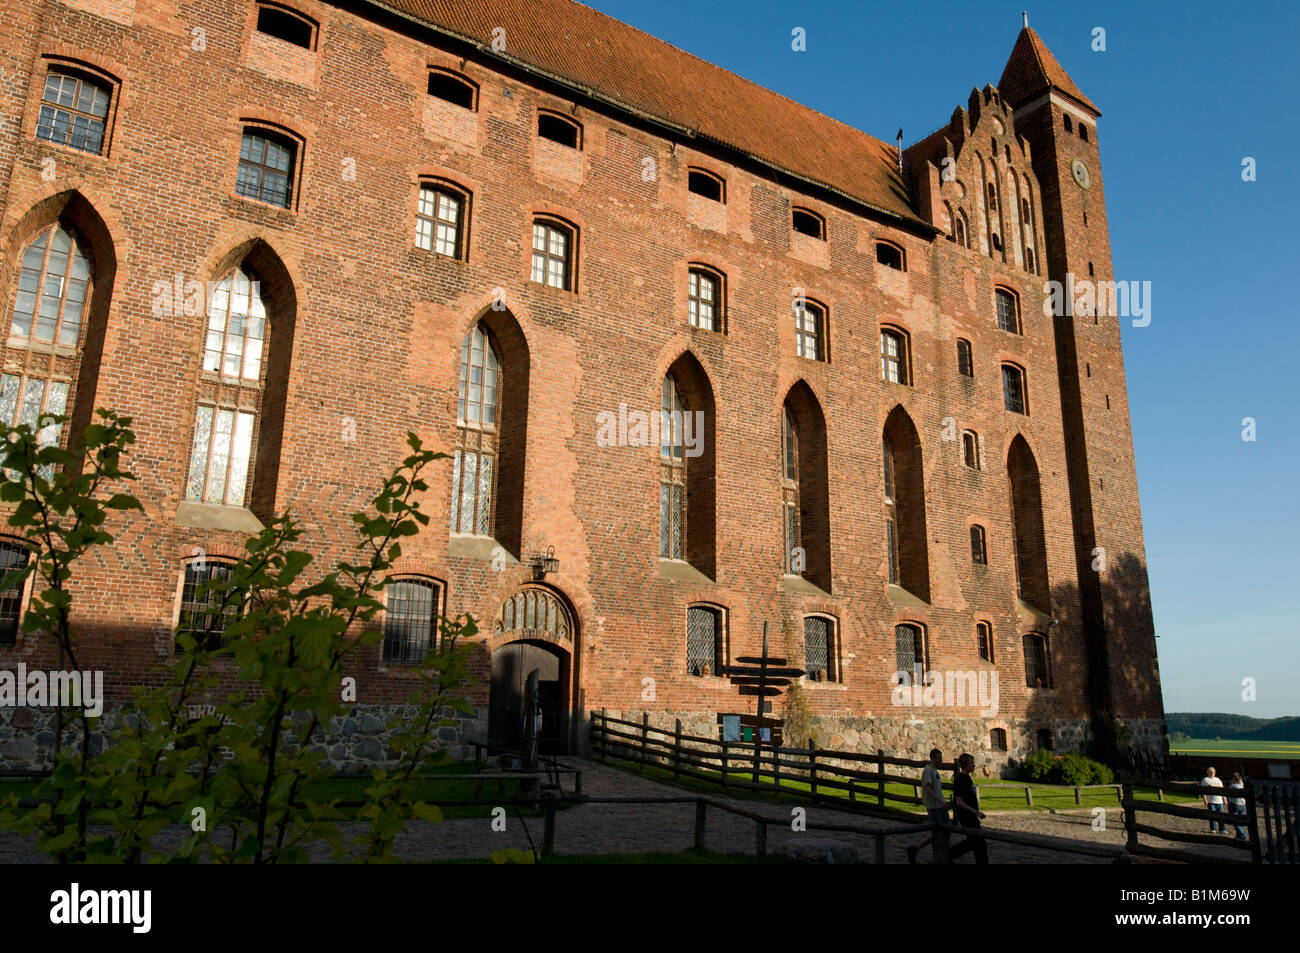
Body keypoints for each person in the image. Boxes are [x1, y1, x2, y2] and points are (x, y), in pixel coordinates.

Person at [907, 748, 948, 864]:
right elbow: (928, 788)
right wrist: (940, 802)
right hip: (934, 807)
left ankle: (941, 855)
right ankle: (916, 848)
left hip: (939, 806)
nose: (941, 761)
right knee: (938, 832)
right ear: (932, 758)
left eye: (941, 758)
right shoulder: (928, 770)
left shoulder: (934, 771)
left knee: (944, 831)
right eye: (938, 758)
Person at [948, 753, 989, 863]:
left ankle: (948, 856)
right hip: (967, 817)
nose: (974, 765)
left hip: (971, 816)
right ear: (965, 765)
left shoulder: (967, 778)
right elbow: (959, 801)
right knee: (979, 844)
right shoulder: (961, 779)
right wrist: (975, 812)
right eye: (971, 763)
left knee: (974, 843)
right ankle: (947, 855)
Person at [1201, 766, 1226, 834]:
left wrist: (1224, 798)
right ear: (1208, 772)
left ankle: (1222, 829)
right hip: (1211, 800)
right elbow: (1203, 790)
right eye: (1211, 772)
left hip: (1219, 800)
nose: (1212, 773)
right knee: (1212, 815)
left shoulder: (1218, 779)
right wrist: (1205, 799)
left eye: (1213, 772)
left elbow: (1222, 788)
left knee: (1221, 816)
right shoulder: (1205, 780)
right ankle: (1213, 829)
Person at [1227, 772, 1248, 841]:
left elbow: (1228, 795)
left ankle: (1242, 835)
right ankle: (1239, 835)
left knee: (1234, 821)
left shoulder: (1233, 786)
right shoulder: (1244, 785)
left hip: (1234, 804)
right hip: (1243, 805)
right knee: (1241, 821)